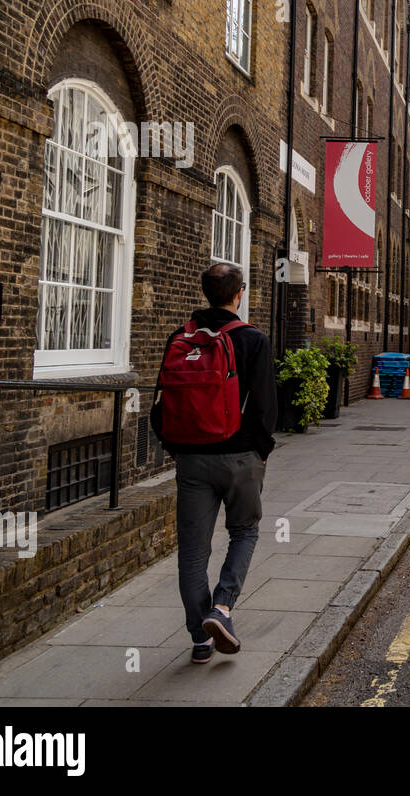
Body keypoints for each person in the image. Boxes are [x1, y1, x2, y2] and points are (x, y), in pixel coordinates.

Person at [151, 263, 276, 664]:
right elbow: (266, 407)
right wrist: (260, 451)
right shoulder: (253, 340)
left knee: (192, 551)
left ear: (206, 293)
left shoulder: (181, 338)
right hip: (240, 457)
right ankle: (221, 608)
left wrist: (176, 449)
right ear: (239, 293)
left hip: (191, 460)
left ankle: (199, 639)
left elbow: (160, 406)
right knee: (244, 533)